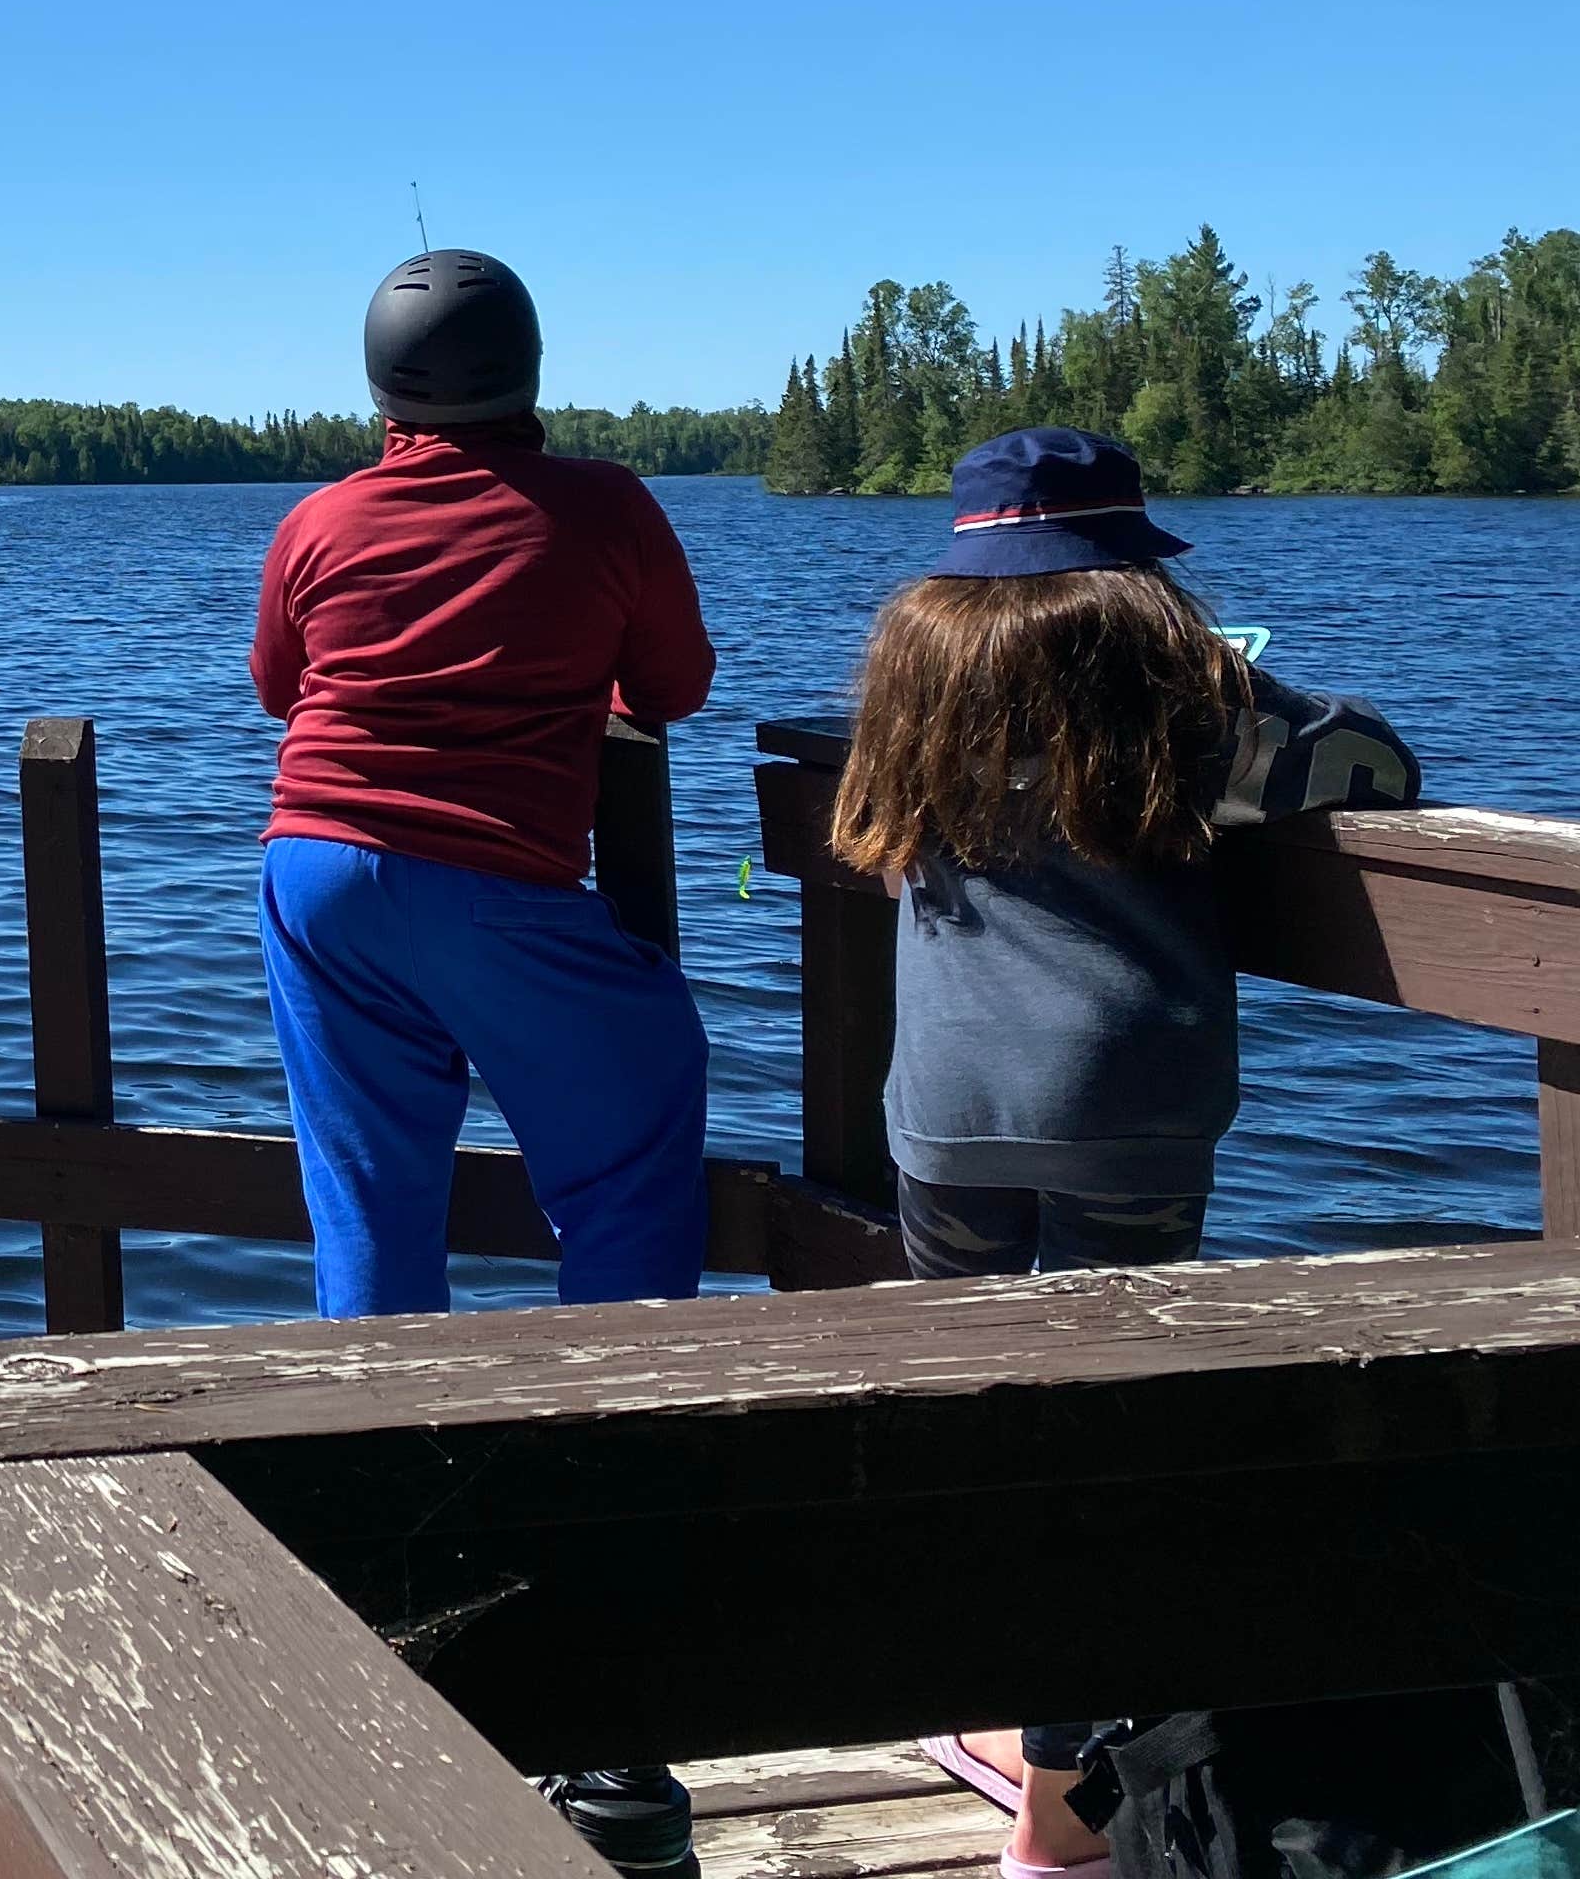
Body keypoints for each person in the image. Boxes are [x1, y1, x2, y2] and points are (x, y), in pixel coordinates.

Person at [834, 426, 1415, 1878]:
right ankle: (1053, 1807)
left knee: (975, 1408)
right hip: (1135, 1101)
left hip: (950, 1107)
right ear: (1131, 556)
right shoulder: (1177, 676)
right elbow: (1373, 766)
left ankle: (978, 1698)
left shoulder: (915, 663)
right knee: (1110, 1441)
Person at [249, 250, 721, 1318]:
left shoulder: (316, 523)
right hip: (491, 879)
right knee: (631, 1144)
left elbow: (280, 689)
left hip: (314, 874)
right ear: (530, 368)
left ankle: (376, 1447)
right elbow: (675, 687)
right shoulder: (605, 508)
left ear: (380, 386)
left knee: (368, 1194)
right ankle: (611, 1431)